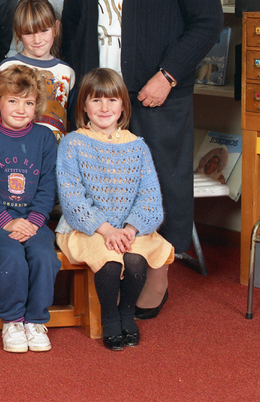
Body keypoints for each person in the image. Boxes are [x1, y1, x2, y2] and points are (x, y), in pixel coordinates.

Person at [61, 0, 222, 317]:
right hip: (99, 91)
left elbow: (207, 21)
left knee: (160, 181)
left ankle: (158, 269)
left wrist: (168, 75)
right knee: (96, 180)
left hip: (155, 90)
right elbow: (73, 21)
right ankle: (104, 261)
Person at [55, 68, 172, 351]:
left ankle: (125, 313)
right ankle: (109, 318)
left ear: (123, 106)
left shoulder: (137, 147)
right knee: (108, 261)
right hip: (86, 228)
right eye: (96, 100)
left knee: (134, 261)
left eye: (112, 100)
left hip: (131, 229)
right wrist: (106, 230)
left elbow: (149, 197)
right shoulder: (73, 143)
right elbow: (72, 198)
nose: (104, 107)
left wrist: (130, 229)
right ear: (84, 105)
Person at [0, 65, 60, 354]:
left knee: (44, 255)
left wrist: (33, 222)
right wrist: (7, 222)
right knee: (12, 255)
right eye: (13, 100)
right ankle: (12, 320)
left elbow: (47, 187)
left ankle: (35, 320)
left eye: (29, 102)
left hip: (33, 222)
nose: (21, 109)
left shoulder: (45, 138)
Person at [0, 0, 75, 140]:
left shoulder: (67, 72)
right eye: (29, 33)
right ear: (18, 33)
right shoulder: (7, 67)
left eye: (44, 31)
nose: (37, 39)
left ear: (56, 27)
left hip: (56, 152)